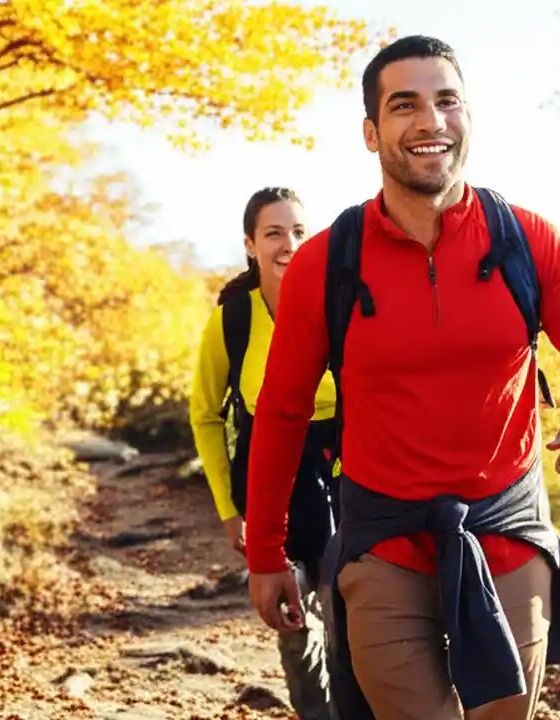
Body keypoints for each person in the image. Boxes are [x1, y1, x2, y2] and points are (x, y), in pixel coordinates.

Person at [244, 36, 560, 720]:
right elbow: (282, 413)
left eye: (447, 101)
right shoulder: (325, 262)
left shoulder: (526, 240)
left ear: (468, 117)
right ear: (372, 132)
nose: (430, 121)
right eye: (405, 105)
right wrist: (267, 552)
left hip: (509, 534)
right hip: (382, 541)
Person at [188, 187, 339, 720]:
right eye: (274, 233)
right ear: (250, 245)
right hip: (271, 486)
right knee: (295, 625)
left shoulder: (338, 304)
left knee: (353, 618)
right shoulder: (232, 319)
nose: (289, 243)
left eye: (299, 231)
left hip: (346, 476)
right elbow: (205, 415)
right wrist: (230, 512)